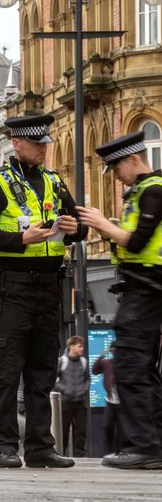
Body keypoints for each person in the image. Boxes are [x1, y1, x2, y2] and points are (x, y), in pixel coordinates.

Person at [0, 113, 87, 468]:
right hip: (11, 288)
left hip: (49, 287)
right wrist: (22, 239)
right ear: (17, 143)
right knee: (5, 372)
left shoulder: (54, 182)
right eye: (37, 144)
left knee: (41, 372)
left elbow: (78, 231)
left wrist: (74, 227)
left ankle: (41, 447)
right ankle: (4, 446)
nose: (44, 150)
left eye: (46, 144)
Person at [77, 131, 162, 469]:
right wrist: (105, 227)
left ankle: (145, 446)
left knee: (130, 367)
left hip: (147, 289)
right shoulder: (141, 191)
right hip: (140, 288)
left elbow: (138, 243)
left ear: (133, 159)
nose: (114, 175)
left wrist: (101, 224)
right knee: (142, 369)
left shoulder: (154, 191)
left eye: (115, 167)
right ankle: (151, 444)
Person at [55, 336, 90, 457]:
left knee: (81, 430)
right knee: (63, 430)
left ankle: (80, 455)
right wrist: (65, 390)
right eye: (80, 346)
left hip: (80, 401)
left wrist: (83, 390)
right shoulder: (62, 361)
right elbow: (55, 380)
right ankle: (62, 454)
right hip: (66, 402)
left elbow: (87, 379)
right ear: (72, 346)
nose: (82, 349)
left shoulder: (84, 362)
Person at [93, 341, 121, 455]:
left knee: (122, 428)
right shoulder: (107, 362)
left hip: (123, 401)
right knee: (107, 425)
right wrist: (102, 355)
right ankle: (109, 451)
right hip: (111, 400)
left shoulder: (124, 363)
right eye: (113, 349)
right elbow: (95, 370)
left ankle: (120, 452)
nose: (114, 352)